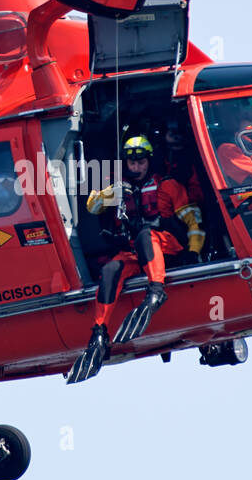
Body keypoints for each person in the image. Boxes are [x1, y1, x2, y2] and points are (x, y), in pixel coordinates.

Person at [65, 135, 205, 384]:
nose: (136, 167)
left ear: (149, 161)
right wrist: (112, 193)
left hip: (167, 246)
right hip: (135, 252)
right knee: (110, 269)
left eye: (140, 162)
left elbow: (193, 222)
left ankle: (155, 291)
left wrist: (194, 252)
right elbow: (92, 207)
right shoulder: (120, 189)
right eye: (131, 163)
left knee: (145, 235)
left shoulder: (168, 186)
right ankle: (99, 333)